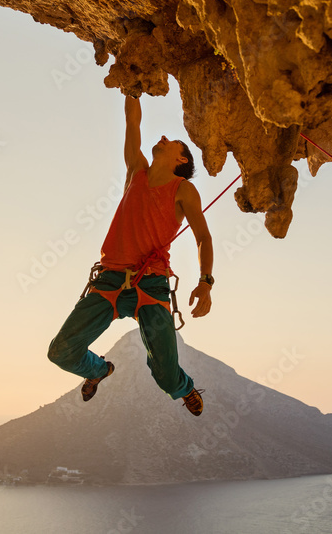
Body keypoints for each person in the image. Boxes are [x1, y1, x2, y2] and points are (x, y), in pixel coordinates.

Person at [47, 93, 214, 416]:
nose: (163, 138)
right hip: (110, 279)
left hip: (150, 284)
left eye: (172, 142)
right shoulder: (136, 169)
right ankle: (97, 370)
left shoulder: (183, 190)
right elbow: (132, 120)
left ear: (181, 160)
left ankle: (183, 387)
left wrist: (205, 281)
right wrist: (132, 86)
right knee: (61, 351)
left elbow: (203, 237)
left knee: (165, 376)